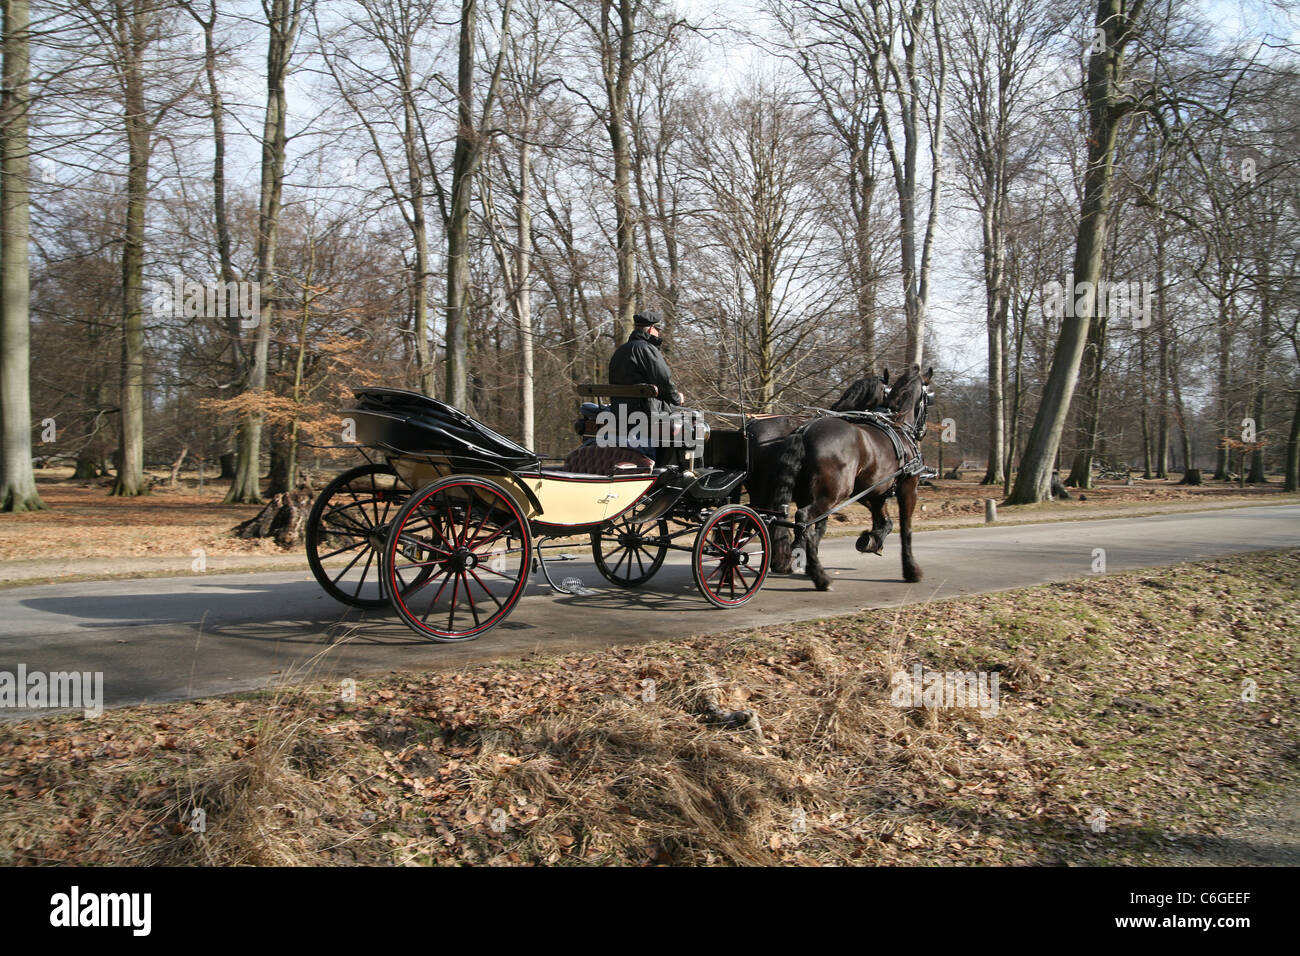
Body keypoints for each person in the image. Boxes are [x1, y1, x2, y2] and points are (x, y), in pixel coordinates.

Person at [607, 311, 686, 463]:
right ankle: (678, 468)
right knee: (690, 423)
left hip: (620, 413)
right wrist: (677, 398)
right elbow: (664, 380)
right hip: (644, 414)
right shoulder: (647, 349)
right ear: (651, 330)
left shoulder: (620, 351)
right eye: (658, 329)